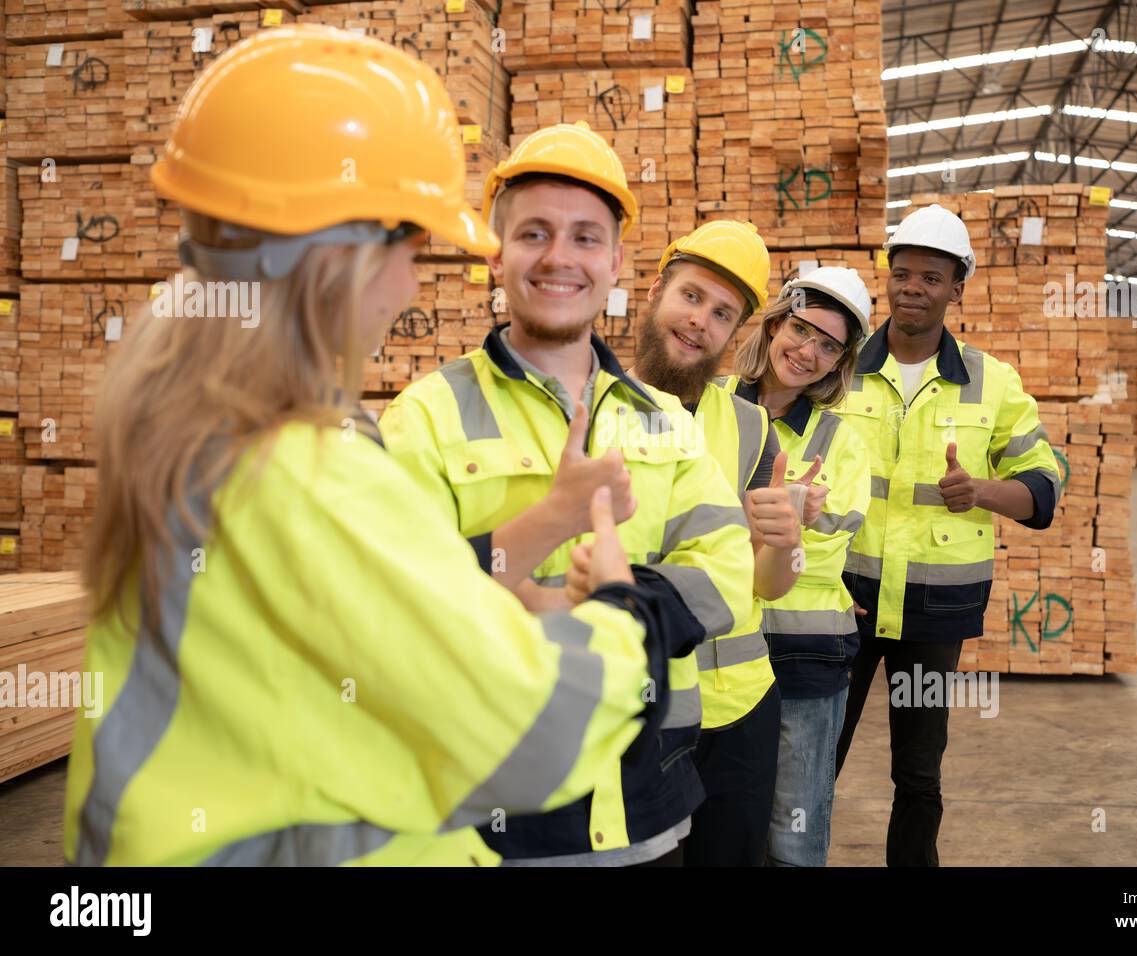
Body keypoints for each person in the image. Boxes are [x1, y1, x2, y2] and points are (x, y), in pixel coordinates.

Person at [63, 26, 674, 867]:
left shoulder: (182, 431)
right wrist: (620, 612)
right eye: (412, 247)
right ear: (343, 259)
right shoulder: (308, 475)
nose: (412, 283)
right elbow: (533, 731)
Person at [379, 123, 754, 866]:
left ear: (616, 262)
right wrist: (543, 547)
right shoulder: (425, 415)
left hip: (642, 804)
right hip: (491, 815)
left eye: (585, 238)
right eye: (534, 234)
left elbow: (729, 573)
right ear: (498, 254)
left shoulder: (663, 419)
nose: (558, 257)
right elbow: (393, 604)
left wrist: (617, 603)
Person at [835, 203, 1062, 866]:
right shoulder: (838, 368)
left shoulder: (993, 382)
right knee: (816, 759)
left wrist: (983, 493)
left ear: (956, 287)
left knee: (919, 774)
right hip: (840, 604)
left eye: (931, 277)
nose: (913, 287)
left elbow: (1043, 488)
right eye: (902, 273)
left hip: (934, 615)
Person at [631, 220, 807, 866]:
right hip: (638, 711)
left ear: (736, 334)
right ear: (655, 292)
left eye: (723, 313)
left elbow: (768, 584)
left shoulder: (751, 427)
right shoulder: (591, 410)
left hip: (738, 710)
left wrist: (785, 544)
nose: (701, 320)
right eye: (691, 296)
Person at [720, 266, 874, 866]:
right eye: (801, 330)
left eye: (829, 346)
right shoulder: (707, 409)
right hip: (716, 657)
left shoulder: (842, 443)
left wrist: (796, 527)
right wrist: (762, 517)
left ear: (840, 363)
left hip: (802, 660)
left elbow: (823, 557)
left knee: (793, 835)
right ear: (776, 324)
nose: (807, 352)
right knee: (720, 831)